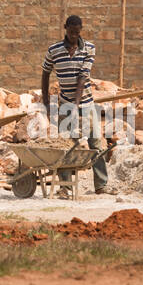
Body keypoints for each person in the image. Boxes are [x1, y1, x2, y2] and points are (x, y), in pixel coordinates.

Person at [41, 14, 109, 194]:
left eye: (77, 33)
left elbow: (82, 78)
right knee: (66, 147)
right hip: (64, 104)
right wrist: (47, 103)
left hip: (86, 103)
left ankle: (101, 185)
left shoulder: (89, 49)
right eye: (71, 32)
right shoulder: (54, 50)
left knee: (96, 144)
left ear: (81, 31)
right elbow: (45, 73)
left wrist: (76, 106)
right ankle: (64, 188)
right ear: (65, 28)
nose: (74, 36)